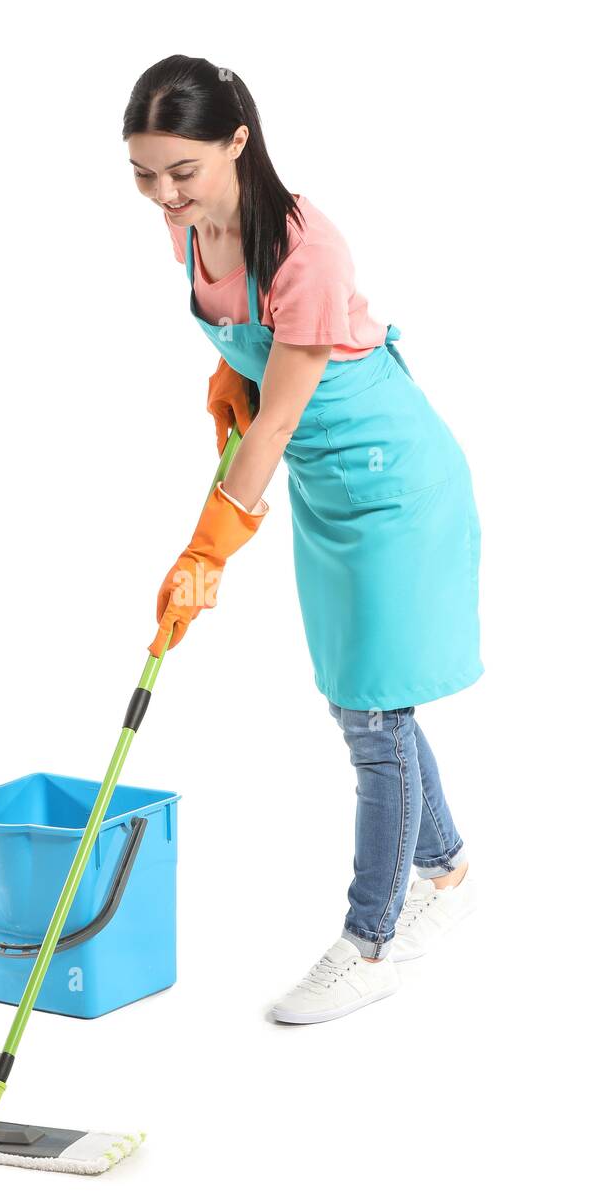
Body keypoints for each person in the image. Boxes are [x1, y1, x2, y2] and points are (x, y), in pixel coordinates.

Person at [123, 55, 483, 1025]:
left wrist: (205, 550)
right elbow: (255, 371)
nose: (162, 195)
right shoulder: (190, 229)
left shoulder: (303, 250)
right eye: (144, 174)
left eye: (181, 172)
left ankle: (368, 942)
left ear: (237, 140)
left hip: (390, 483)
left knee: (372, 717)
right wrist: (225, 382)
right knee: (365, 698)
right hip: (328, 486)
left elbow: (275, 426)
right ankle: (444, 873)